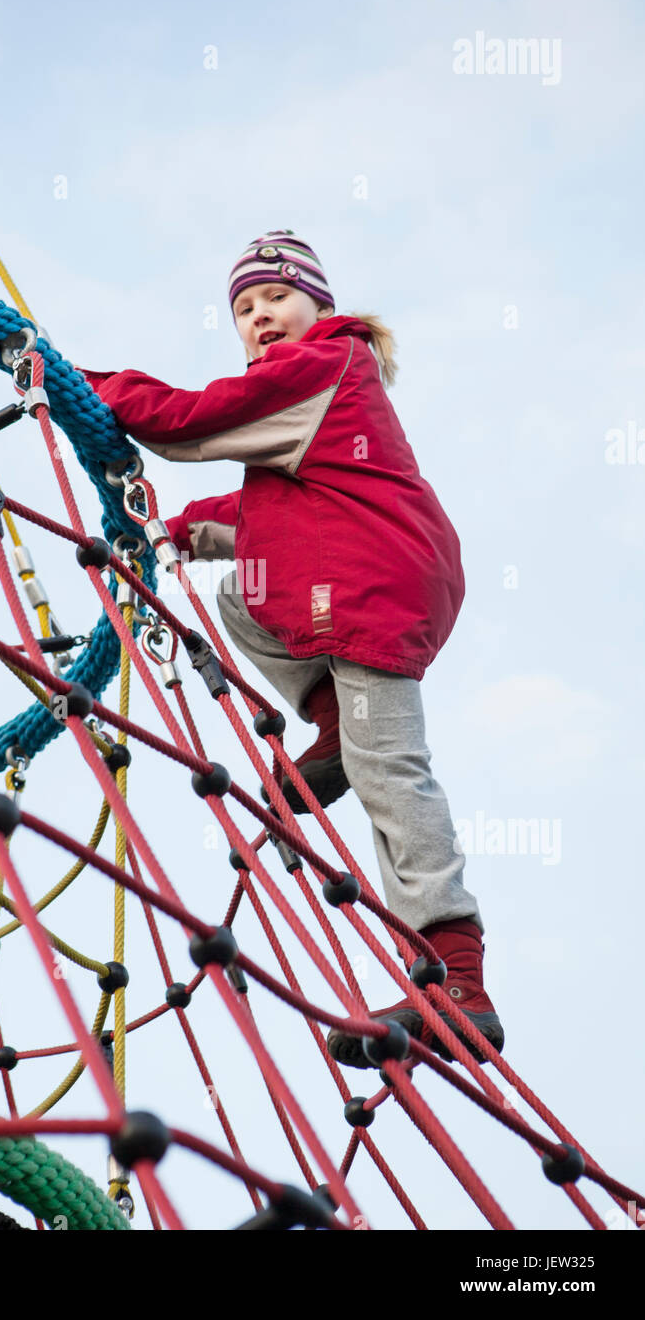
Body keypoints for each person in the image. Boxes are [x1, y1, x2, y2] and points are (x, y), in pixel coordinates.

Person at [78, 229, 504, 1066]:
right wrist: (170, 533)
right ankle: (332, 722)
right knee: (245, 593)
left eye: (275, 297)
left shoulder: (320, 367)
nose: (258, 316)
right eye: (242, 308)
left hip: (376, 587)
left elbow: (185, 423)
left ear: (319, 305)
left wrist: (78, 382)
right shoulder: (311, 400)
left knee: (392, 770)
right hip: (359, 567)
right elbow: (267, 518)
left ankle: (459, 977)